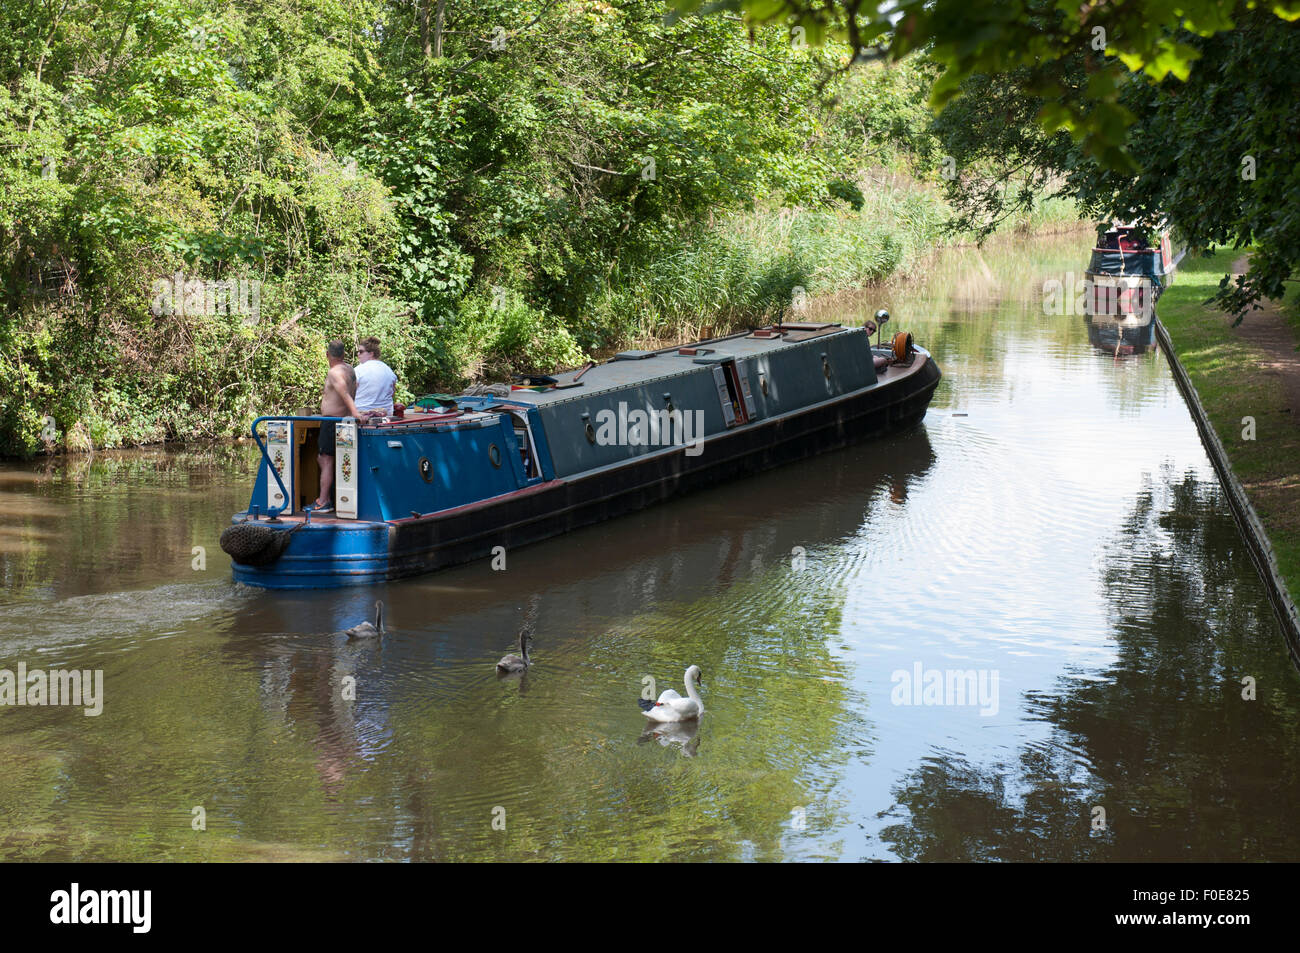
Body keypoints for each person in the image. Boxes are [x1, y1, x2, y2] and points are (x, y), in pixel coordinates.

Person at [313, 339, 361, 513]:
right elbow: (355, 388)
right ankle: (341, 499)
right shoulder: (350, 369)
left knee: (325, 459)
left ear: (327, 354)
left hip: (332, 421)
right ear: (344, 354)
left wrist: (355, 413)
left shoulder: (334, 372)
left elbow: (344, 392)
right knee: (337, 460)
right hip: (342, 422)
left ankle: (324, 501)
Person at [354, 336, 398, 415]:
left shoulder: (358, 370)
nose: (358, 354)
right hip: (386, 416)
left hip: (362, 417)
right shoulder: (389, 371)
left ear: (371, 354)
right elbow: (392, 393)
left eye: (361, 352)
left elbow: (349, 394)